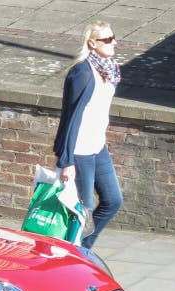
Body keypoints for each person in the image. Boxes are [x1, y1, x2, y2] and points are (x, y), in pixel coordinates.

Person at [53, 21, 123, 248]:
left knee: (113, 200)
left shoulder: (109, 69)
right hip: (80, 151)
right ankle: (74, 253)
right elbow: (70, 118)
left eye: (113, 37)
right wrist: (67, 161)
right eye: (107, 39)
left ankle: (82, 248)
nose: (114, 43)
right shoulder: (82, 73)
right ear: (92, 43)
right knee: (83, 210)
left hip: (97, 147)